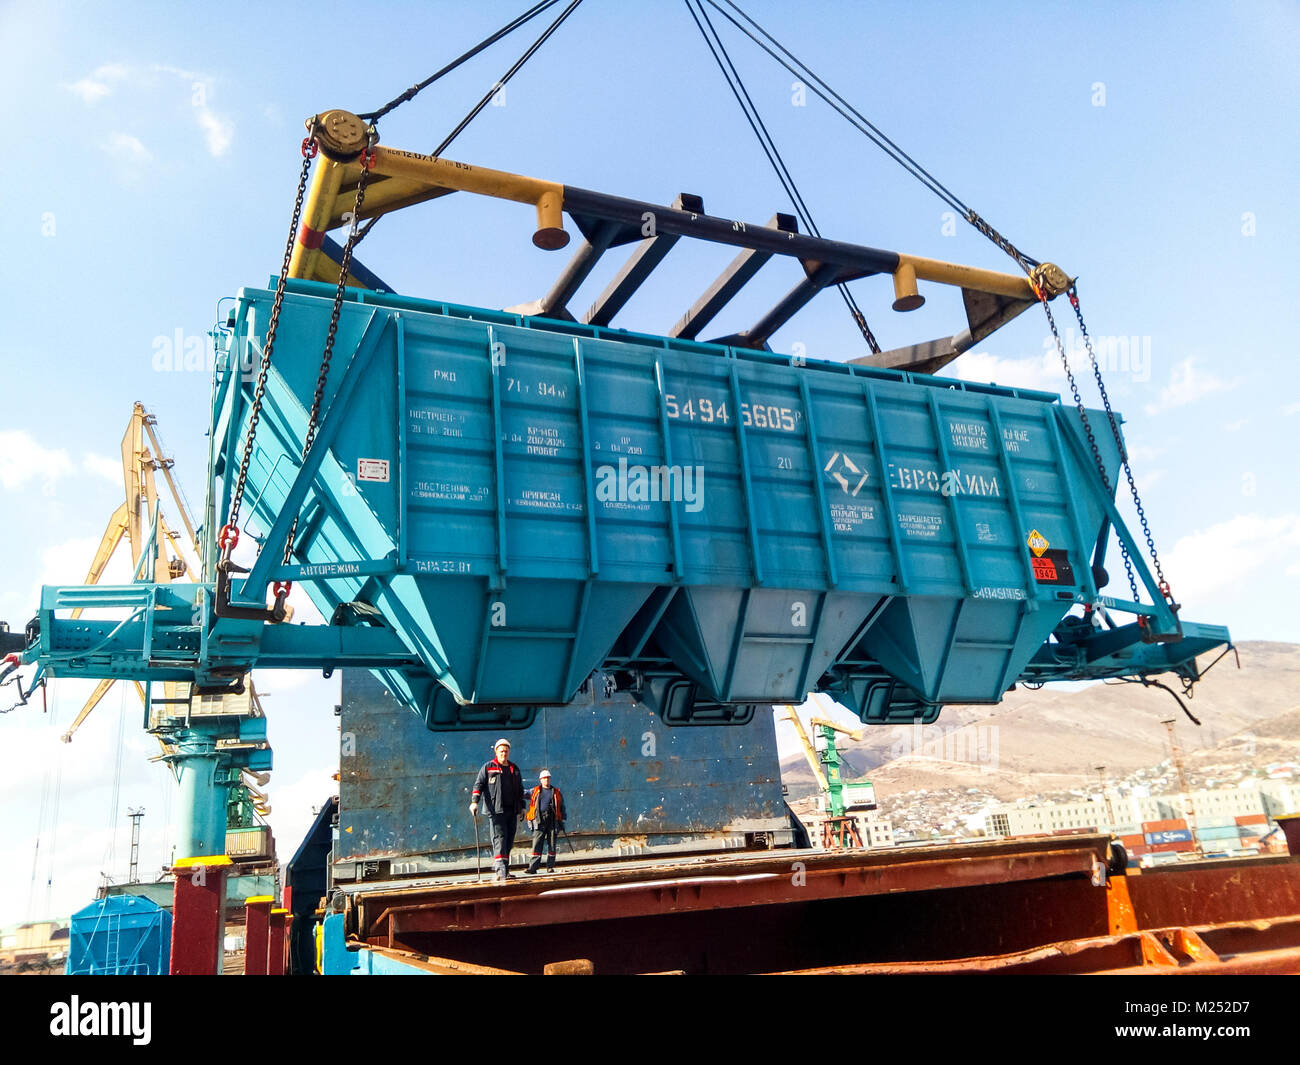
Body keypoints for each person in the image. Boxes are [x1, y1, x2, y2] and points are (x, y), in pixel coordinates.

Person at [470, 738, 525, 881]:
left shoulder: (514, 769)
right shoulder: (488, 767)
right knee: (499, 838)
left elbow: (520, 790)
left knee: (509, 840)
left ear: (509, 752)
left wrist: (522, 808)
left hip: (511, 810)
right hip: (496, 811)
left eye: (506, 751)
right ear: (496, 752)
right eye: (501, 751)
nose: (504, 754)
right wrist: (474, 802)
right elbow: (478, 785)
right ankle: (500, 871)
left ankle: (505, 870)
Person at [525, 769, 566, 874]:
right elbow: (522, 794)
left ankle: (550, 867)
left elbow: (562, 807)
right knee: (537, 843)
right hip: (539, 820)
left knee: (552, 844)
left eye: (548, 778)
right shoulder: (535, 791)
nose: (546, 780)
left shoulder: (556, 792)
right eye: (544, 778)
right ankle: (533, 867)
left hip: (552, 821)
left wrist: (563, 820)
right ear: (540, 780)